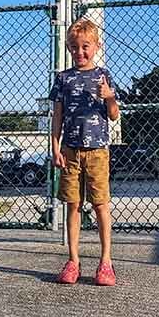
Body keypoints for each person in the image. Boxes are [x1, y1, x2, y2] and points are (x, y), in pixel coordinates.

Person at [49, 18, 120, 286]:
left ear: (97, 46)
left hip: (97, 151)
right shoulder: (63, 79)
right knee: (73, 204)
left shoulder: (103, 76)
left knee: (101, 204)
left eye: (85, 47)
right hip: (70, 151)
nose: (80, 52)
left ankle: (106, 262)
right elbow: (58, 116)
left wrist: (109, 96)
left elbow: (113, 115)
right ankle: (73, 260)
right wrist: (55, 147)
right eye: (74, 48)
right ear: (68, 48)